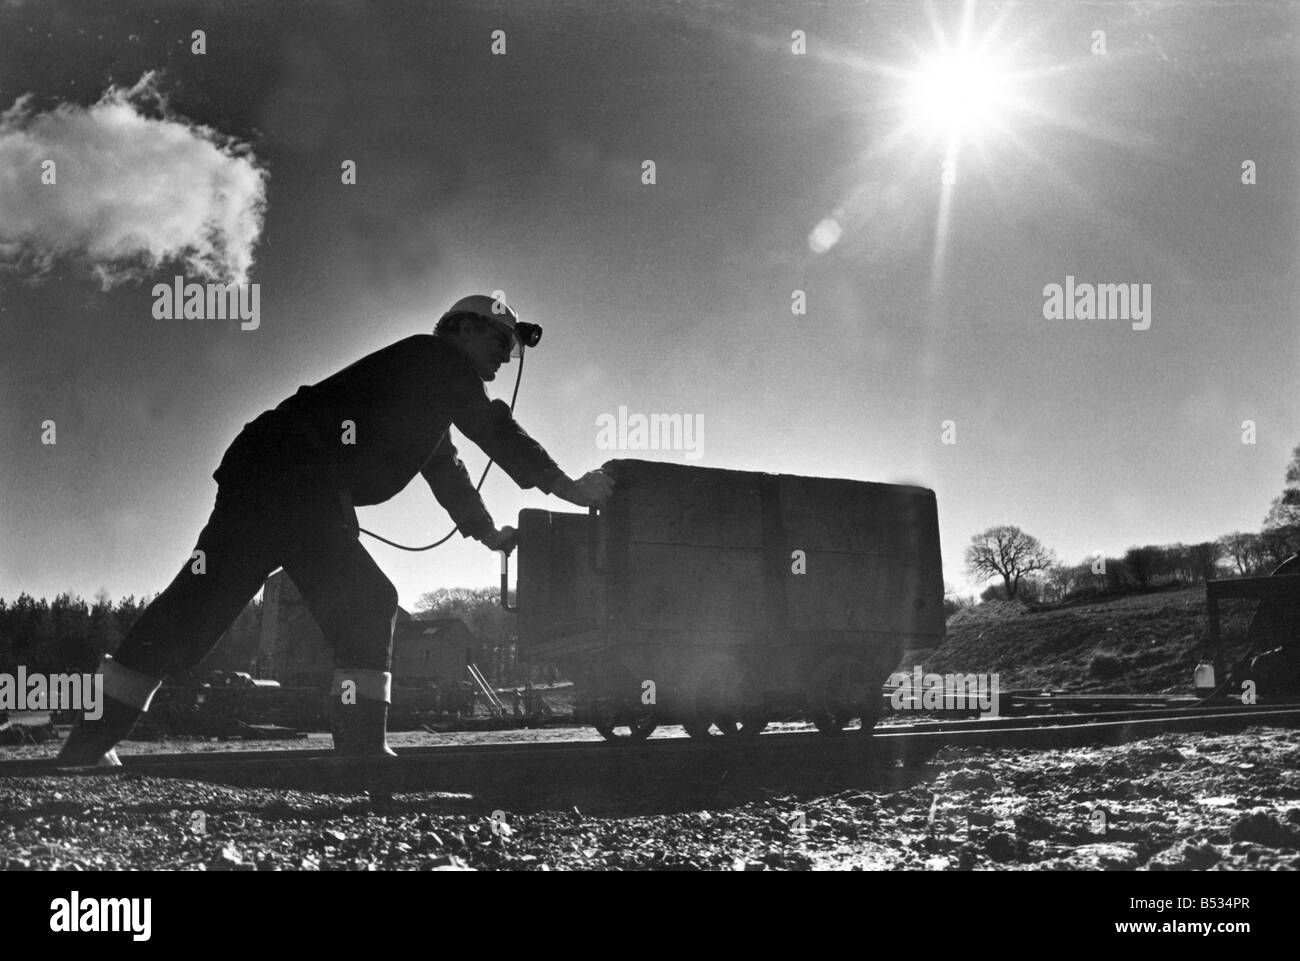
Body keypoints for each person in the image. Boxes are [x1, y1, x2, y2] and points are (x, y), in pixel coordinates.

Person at [57, 295, 614, 765]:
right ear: (462, 329)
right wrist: (569, 486)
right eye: (500, 341)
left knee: (203, 601)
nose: (505, 357)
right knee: (366, 602)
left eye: (513, 349)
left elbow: (446, 468)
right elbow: (494, 427)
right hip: (294, 477)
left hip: (278, 474)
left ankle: (90, 740)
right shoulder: (437, 358)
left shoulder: (424, 386)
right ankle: (361, 752)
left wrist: (486, 532)